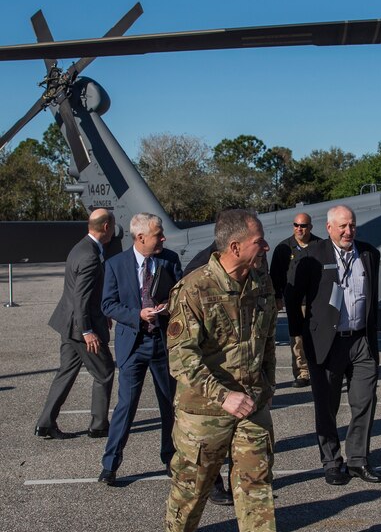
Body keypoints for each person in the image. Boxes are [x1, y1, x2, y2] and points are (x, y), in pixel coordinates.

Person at [159, 209, 309, 532]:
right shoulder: (194, 288)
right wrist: (222, 395)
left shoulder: (261, 282)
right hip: (204, 410)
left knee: (256, 485)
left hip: (252, 403)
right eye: (259, 241)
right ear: (235, 246)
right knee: (193, 486)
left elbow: (267, 339)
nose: (266, 246)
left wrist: (268, 385)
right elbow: (181, 357)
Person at [287, 205, 381, 485]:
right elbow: (293, 299)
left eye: (351, 225)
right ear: (329, 228)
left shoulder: (369, 254)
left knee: (365, 401)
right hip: (326, 344)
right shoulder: (312, 255)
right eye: (342, 226)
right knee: (327, 406)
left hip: (361, 341)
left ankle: (358, 460)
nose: (348, 231)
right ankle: (331, 462)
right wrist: (302, 336)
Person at [98, 213, 182, 485]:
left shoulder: (169, 259)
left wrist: (168, 307)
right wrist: (137, 314)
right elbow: (108, 304)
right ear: (141, 237)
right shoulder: (115, 265)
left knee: (169, 404)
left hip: (162, 343)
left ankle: (170, 457)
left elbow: (181, 295)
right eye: (158, 235)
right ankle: (110, 464)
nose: (164, 238)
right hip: (133, 345)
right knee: (126, 405)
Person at [35, 209, 116, 440]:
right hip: (80, 327)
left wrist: (102, 313)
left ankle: (45, 423)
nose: (114, 231)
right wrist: (87, 331)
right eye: (113, 226)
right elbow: (81, 297)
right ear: (106, 227)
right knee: (104, 372)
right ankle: (99, 426)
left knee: (66, 372)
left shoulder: (81, 247)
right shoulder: (90, 256)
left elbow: (84, 294)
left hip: (68, 323)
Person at [181, 237, 235, 506]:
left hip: (240, 374)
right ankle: (212, 485)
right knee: (209, 442)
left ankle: (239, 487)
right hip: (211, 375)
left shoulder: (251, 269)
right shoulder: (200, 270)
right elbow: (186, 350)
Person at [270, 212, 321, 389]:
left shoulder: (320, 246)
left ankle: (318, 371)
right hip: (294, 301)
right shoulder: (284, 248)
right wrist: (277, 297)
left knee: (317, 337)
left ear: (310, 227)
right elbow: (276, 275)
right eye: (296, 225)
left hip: (316, 300)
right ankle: (302, 373)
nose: (299, 229)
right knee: (297, 339)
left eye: (303, 226)